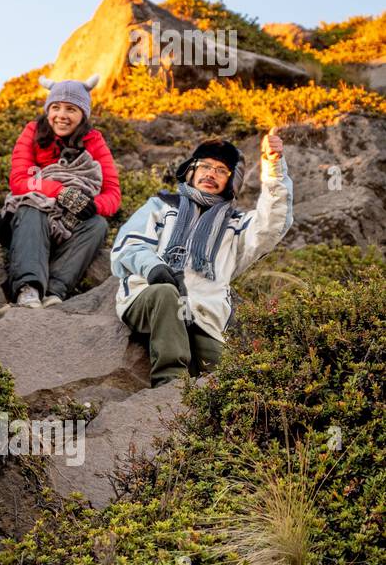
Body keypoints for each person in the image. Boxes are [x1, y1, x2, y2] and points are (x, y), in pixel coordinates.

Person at [111, 131, 293, 385]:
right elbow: (129, 245)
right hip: (150, 297)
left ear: (231, 182)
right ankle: (169, 383)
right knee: (166, 294)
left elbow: (273, 223)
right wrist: (154, 269)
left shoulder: (236, 226)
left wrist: (273, 166)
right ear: (191, 171)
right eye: (205, 166)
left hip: (204, 319)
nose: (210, 173)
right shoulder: (161, 206)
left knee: (228, 383)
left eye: (221, 170)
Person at [0, 74, 122, 308]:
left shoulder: (94, 140)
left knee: (98, 225)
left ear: (83, 114)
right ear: (47, 110)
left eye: (71, 109)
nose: (61, 115)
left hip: (67, 223)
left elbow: (113, 194)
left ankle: (55, 291)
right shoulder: (32, 131)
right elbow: (20, 181)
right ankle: (28, 288)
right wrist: (60, 192)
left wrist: (92, 205)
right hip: (22, 221)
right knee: (34, 206)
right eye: (55, 107)